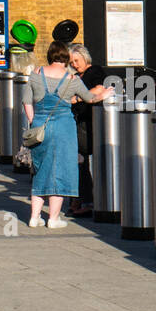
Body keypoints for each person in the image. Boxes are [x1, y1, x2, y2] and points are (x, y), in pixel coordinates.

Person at [23, 40, 109, 228]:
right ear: (66, 58)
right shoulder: (72, 80)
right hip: (64, 128)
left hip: (40, 126)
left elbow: (26, 101)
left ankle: (34, 217)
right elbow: (90, 98)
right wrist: (104, 95)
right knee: (60, 171)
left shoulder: (36, 75)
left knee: (40, 170)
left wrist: (33, 122)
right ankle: (53, 219)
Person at [67, 43, 107, 218]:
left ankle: (86, 201)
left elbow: (99, 89)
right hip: (77, 121)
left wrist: (76, 99)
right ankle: (78, 199)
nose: (74, 64)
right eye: (72, 62)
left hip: (89, 121)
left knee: (80, 160)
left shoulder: (94, 71)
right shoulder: (75, 76)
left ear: (85, 57)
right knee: (77, 161)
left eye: (76, 60)